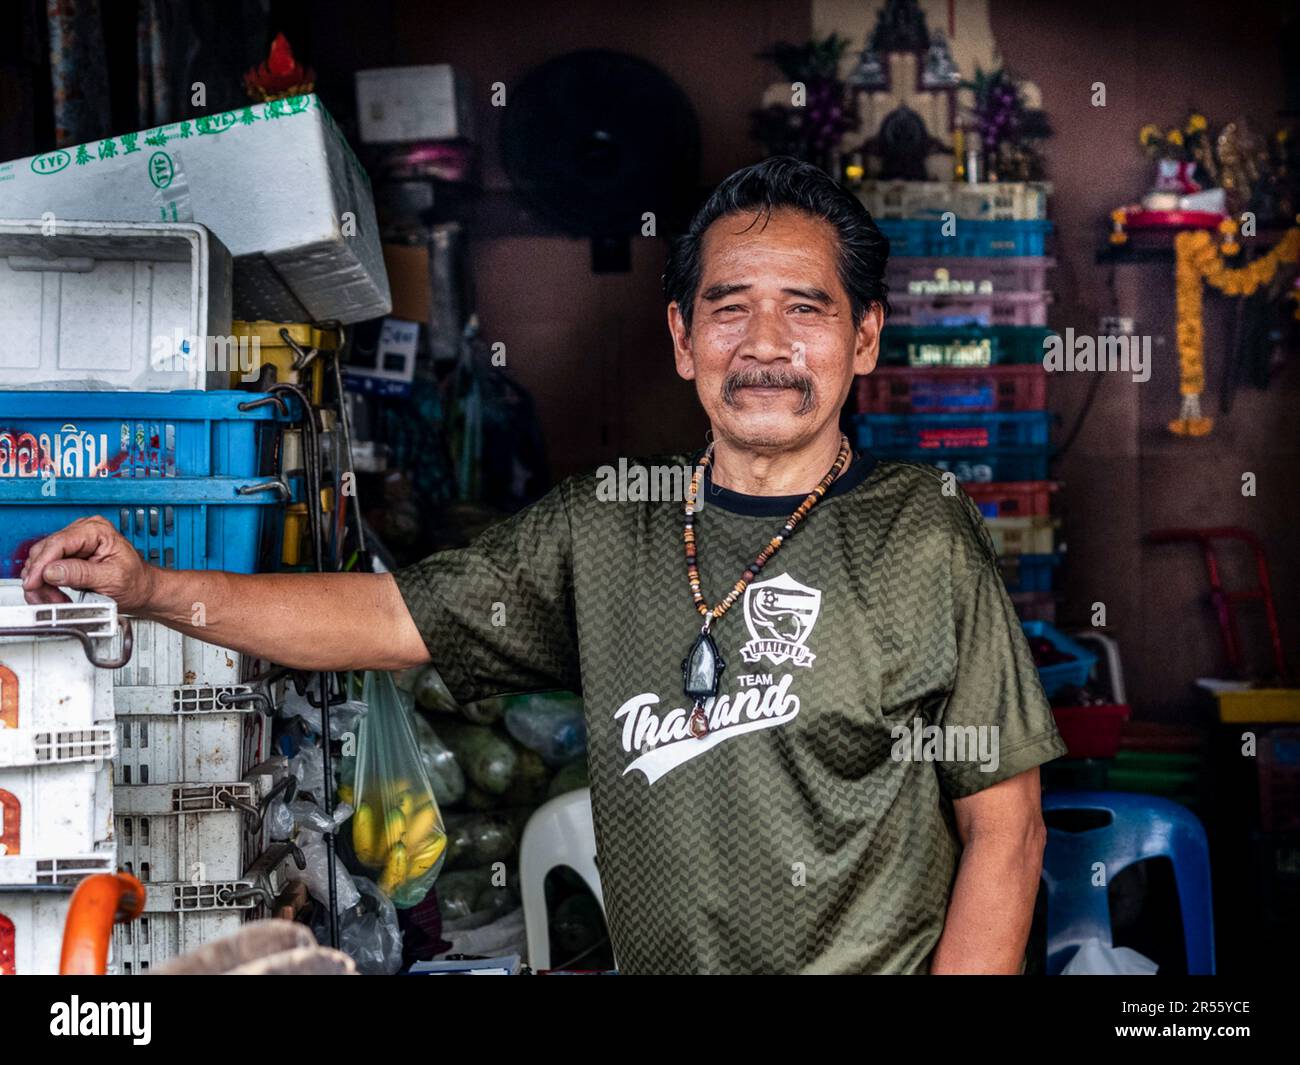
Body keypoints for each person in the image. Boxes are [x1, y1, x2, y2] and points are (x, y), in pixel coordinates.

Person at [21, 156, 1065, 975]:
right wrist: (153, 586)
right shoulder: (607, 525)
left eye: (807, 307)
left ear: (865, 337)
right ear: (681, 337)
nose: (765, 344)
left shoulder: (919, 535)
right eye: (729, 306)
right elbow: (385, 619)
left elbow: (1006, 839)